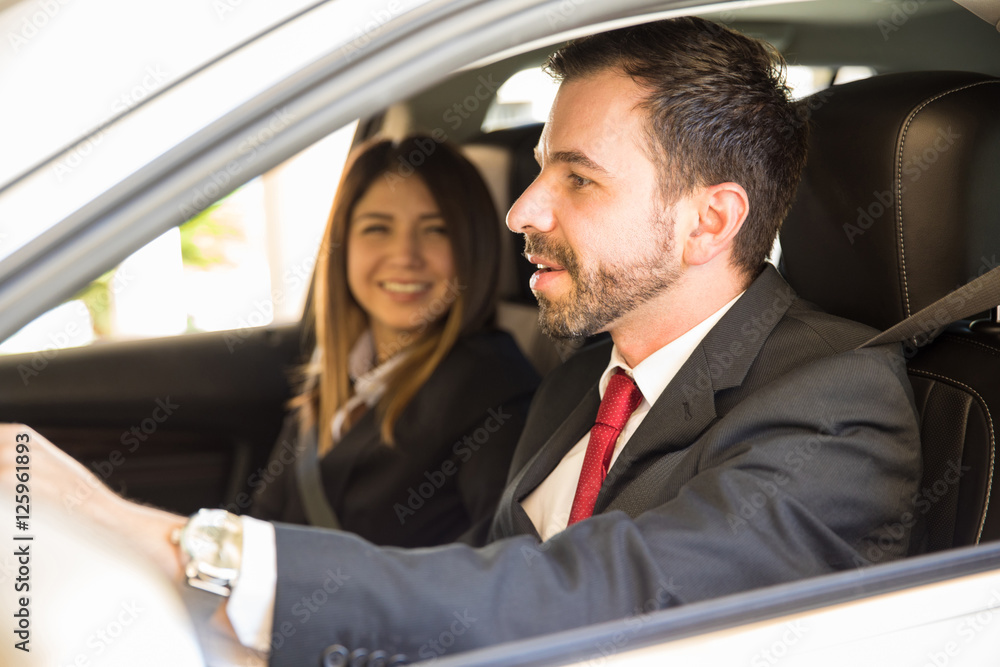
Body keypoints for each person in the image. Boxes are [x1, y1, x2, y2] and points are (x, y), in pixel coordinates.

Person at [0, 16, 922, 667]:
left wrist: (183, 548)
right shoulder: (588, 379)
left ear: (708, 220)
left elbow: (587, 601)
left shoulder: (838, 401)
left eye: (579, 180)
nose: (522, 209)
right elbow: (475, 590)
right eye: (536, 171)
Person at [248, 136, 540, 548]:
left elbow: (491, 568)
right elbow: (262, 525)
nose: (405, 255)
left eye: (436, 229)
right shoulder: (336, 376)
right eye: (377, 228)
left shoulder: (494, 388)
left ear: (473, 248)